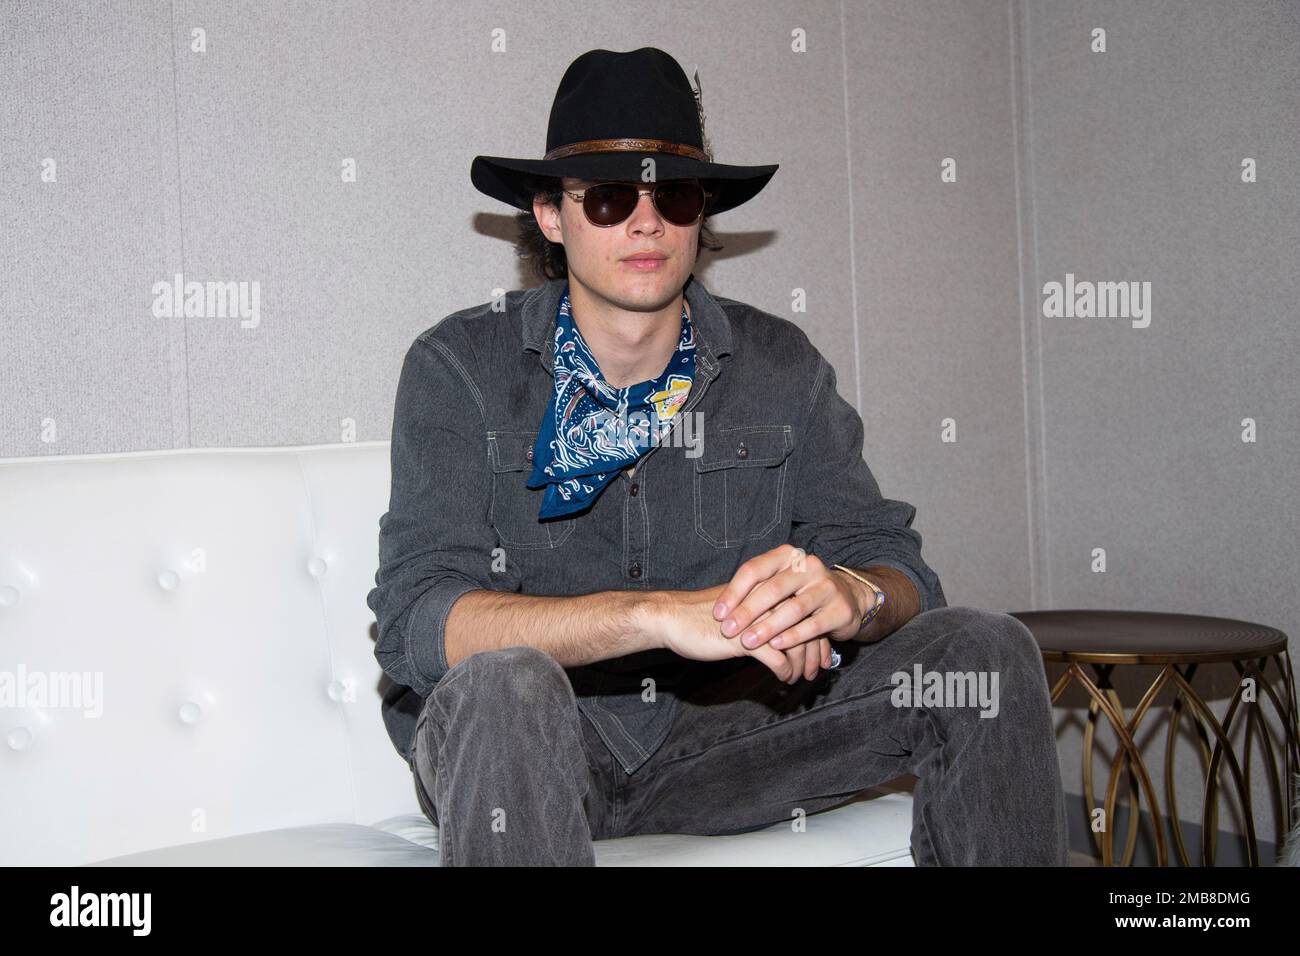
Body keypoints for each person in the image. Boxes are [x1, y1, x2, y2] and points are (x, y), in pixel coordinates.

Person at [366, 46, 1068, 866]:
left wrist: (851, 597)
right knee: (506, 683)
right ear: (551, 216)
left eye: (677, 195)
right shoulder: (460, 366)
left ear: (702, 218)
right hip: (521, 751)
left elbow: (898, 568)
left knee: (985, 647)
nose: (646, 221)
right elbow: (416, 622)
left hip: (723, 745)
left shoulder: (779, 366)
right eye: (610, 197)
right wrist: (660, 613)